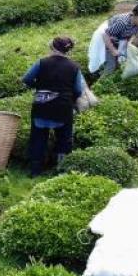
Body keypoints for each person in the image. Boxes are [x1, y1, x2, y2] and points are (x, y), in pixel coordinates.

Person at [22, 37, 85, 176]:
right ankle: (61, 170)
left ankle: (35, 171)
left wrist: (39, 86)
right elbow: (79, 90)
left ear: (53, 47)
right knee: (64, 139)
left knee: (38, 138)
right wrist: (70, 97)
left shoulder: (41, 63)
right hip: (63, 107)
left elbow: (26, 79)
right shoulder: (74, 67)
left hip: (41, 105)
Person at [89, 2, 138, 76]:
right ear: (137, 16)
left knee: (120, 60)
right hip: (105, 38)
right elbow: (105, 34)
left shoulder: (137, 24)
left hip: (118, 38)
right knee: (111, 65)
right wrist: (113, 50)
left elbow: (131, 34)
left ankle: (105, 72)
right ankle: (101, 81)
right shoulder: (122, 23)